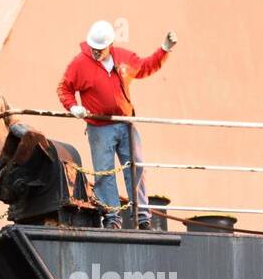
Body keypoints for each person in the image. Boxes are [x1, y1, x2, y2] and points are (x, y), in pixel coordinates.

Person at [57, 20, 176, 229]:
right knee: (105, 173)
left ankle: (142, 216)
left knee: (136, 168)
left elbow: (146, 67)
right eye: (93, 49)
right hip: (99, 126)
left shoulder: (124, 58)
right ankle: (112, 218)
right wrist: (73, 106)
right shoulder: (79, 64)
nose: (95, 53)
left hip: (126, 124)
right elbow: (64, 88)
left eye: (100, 50)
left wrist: (164, 50)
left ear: (109, 45)